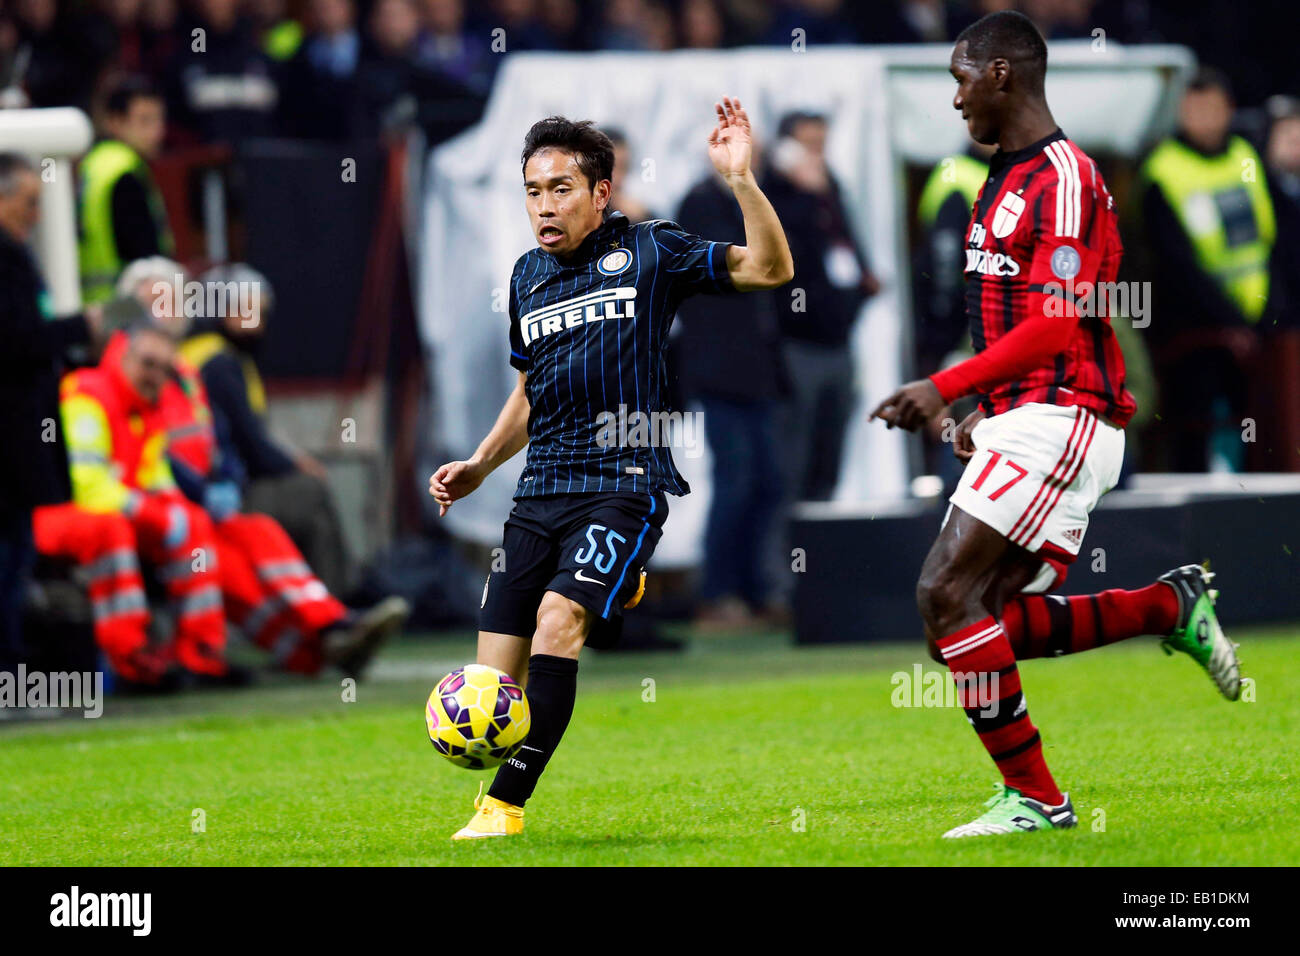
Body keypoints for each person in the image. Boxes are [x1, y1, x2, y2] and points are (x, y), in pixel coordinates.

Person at [869, 11, 1242, 839]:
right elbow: (1008, 319)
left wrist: (943, 384)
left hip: (1065, 414)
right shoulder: (998, 177)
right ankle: (1165, 607)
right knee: (973, 623)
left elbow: (1056, 323)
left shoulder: (1066, 177)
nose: (956, 96)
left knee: (944, 594)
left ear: (1002, 74)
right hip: (1019, 415)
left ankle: (1038, 800)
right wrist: (977, 405)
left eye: (962, 77)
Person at [429, 103, 793, 839]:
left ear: (601, 193)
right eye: (532, 191)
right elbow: (530, 392)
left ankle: (502, 807)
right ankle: (614, 593)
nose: (543, 206)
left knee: (557, 624)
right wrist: (478, 463)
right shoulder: (528, 276)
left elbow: (770, 268)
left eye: (560, 188)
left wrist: (742, 181)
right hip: (538, 495)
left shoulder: (653, 250)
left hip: (623, 484)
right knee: (493, 687)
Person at [118, 259, 409, 676]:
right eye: (155, 306)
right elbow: (150, 453)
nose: (167, 316)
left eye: (173, 303)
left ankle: (331, 624)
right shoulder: (126, 374)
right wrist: (202, 492)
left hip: (192, 507)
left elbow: (214, 441)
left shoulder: (181, 372)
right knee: (231, 564)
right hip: (154, 513)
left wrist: (221, 483)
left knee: (260, 534)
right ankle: (309, 648)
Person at [32, 323, 234, 686]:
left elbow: (156, 479)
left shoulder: (147, 410)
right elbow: (87, 486)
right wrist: (154, 515)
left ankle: (201, 653)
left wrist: (173, 511)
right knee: (113, 529)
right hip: (50, 512)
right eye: (148, 363)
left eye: (165, 370)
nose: (155, 376)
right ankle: (129, 657)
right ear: (123, 357)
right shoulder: (87, 396)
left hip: (113, 509)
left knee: (193, 520)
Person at [179, 264, 353, 597]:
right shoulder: (218, 363)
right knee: (310, 493)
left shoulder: (207, 354)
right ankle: (333, 606)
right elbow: (252, 446)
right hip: (218, 495)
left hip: (210, 489)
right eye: (248, 310)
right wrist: (295, 465)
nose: (258, 322)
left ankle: (318, 605)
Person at [1139, 69, 1274, 471]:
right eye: (1194, 110)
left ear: (1230, 110)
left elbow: (1269, 239)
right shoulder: (1163, 172)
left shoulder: (1244, 156)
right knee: (1196, 436)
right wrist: (1228, 322)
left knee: (1258, 436)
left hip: (1256, 328)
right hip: (1195, 334)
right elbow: (1175, 263)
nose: (1204, 119)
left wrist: (1263, 315)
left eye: (1212, 108)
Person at [0, 153, 104, 674]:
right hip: (10, 433)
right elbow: (13, 339)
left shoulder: (17, 256)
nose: (36, 215)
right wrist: (78, 328)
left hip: (21, 435)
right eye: (29, 202)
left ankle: (13, 657)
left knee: (17, 546)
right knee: (8, 549)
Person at [674, 158, 788, 630]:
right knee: (734, 483)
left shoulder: (753, 204)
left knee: (767, 484)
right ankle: (715, 594)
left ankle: (755, 590)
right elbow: (734, 268)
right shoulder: (700, 203)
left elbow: (775, 265)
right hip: (719, 373)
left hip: (758, 374)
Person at [765, 110, 878, 501]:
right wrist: (804, 190)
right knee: (793, 453)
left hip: (839, 339)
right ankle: (786, 550)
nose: (816, 154)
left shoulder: (830, 188)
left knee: (831, 449)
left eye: (821, 144)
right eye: (808, 144)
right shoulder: (776, 194)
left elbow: (844, 244)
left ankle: (819, 543)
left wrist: (864, 284)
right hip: (798, 345)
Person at [78, 76, 173, 305]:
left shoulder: (94, 163)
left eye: (159, 120)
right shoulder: (124, 172)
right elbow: (144, 257)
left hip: (93, 303)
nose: (157, 132)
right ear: (114, 122)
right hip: (127, 305)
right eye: (145, 121)